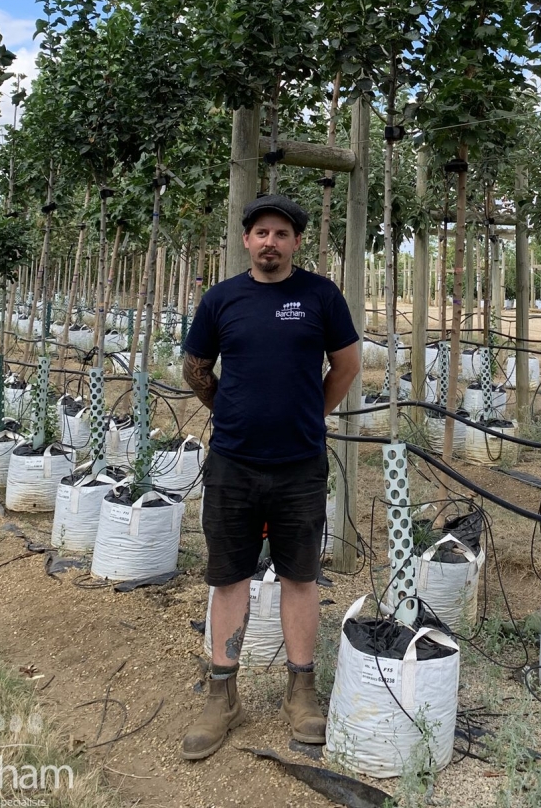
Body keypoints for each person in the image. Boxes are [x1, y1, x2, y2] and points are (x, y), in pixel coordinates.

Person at [179, 193, 360, 760]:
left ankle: (300, 693)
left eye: (281, 234)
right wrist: (228, 410)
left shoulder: (320, 296)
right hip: (234, 463)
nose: (270, 243)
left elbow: (348, 364)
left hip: (300, 466)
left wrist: (311, 414)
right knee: (229, 577)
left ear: (296, 243)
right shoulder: (222, 299)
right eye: (261, 232)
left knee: (300, 577)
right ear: (246, 240)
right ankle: (221, 695)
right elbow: (196, 367)